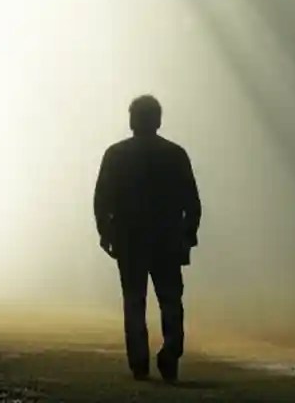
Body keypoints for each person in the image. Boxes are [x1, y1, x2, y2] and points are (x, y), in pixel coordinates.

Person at [93, 95, 202, 382]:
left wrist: (106, 232)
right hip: (166, 241)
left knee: (134, 301)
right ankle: (170, 353)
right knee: (170, 301)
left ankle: (139, 363)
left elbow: (102, 199)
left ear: (132, 119)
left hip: (130, 241)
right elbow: (192, 202)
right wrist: (187, 236)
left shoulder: (115, 155)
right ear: (158, 120)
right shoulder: (175, 154)